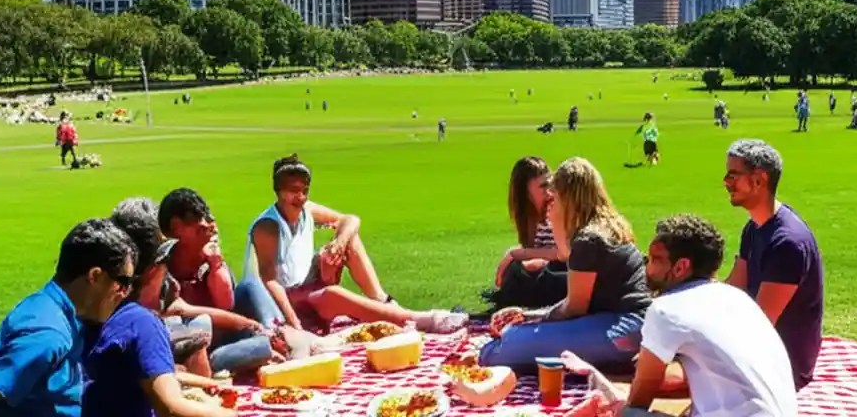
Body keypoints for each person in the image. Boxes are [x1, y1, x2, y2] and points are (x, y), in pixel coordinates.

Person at [560, 214, 797, 417]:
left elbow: (640, 398)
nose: (646, 268)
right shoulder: (738, 298)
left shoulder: (666, 309)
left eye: (654, 259)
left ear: (680, 267)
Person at [243, 155, 468, 333]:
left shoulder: (307, 210)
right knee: (333, 295)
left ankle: (384, 301)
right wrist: (294, 324)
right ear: (278, 192)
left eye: (304, 191)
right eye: (293, 191)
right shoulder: (268, 226)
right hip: (285, 299)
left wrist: (338, 243)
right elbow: (269, 281)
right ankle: (419, 320)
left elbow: (350, 219)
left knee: (349, 239)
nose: (300, 197)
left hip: (307, 282)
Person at [0, 219, 136, 417]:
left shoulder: (57, 311)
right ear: (95, 276)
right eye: (123, 282)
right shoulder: (47, 334)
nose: (125, 293)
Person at [481, 157, 651, 371]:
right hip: (630, 325)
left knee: (503, 347)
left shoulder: (588, 239)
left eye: (555, 198)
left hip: (622, 328)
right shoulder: (609, 226)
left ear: (568, 198)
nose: (551, 205)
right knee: (517, 336)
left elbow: (574, 307)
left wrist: (529, 318)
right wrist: (527, 315)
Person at [85, 198, 237, 417]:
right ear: (155, 265)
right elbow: (171, 409)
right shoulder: (141, 323)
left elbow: (150, 371)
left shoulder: (92, 306)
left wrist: (205, 383)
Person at [723, 140, 824, 390]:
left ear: (759, 180)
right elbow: (734, 287)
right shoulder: (754, 228)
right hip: (761, 351)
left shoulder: (787, 243)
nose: (726, 181)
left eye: (733, 175)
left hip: (782, 365)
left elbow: (761, 323)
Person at [157, 189, 281, 374]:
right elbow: (180, 310)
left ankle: (277, 332)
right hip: (195, 347)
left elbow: (226, 304)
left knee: (250, 286)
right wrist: (248, 324)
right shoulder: (161, 266)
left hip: (225, 332)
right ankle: (267, 346)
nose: (209, 227)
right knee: (216, 359)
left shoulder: (209, 256)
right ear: (177, 227)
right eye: (200, 221)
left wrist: (215, 265)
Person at [485, 157, 566, 310]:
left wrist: (520, 254)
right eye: (543, 186)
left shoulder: (558, 210)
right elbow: (533, 249)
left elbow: (565, 253)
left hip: (565, 270)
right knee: (515, 270)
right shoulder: (530, 219)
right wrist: (518, 255)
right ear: (526, 194)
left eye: (550, 184)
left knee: (520, 272)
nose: (549, 192)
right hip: (547, 271)